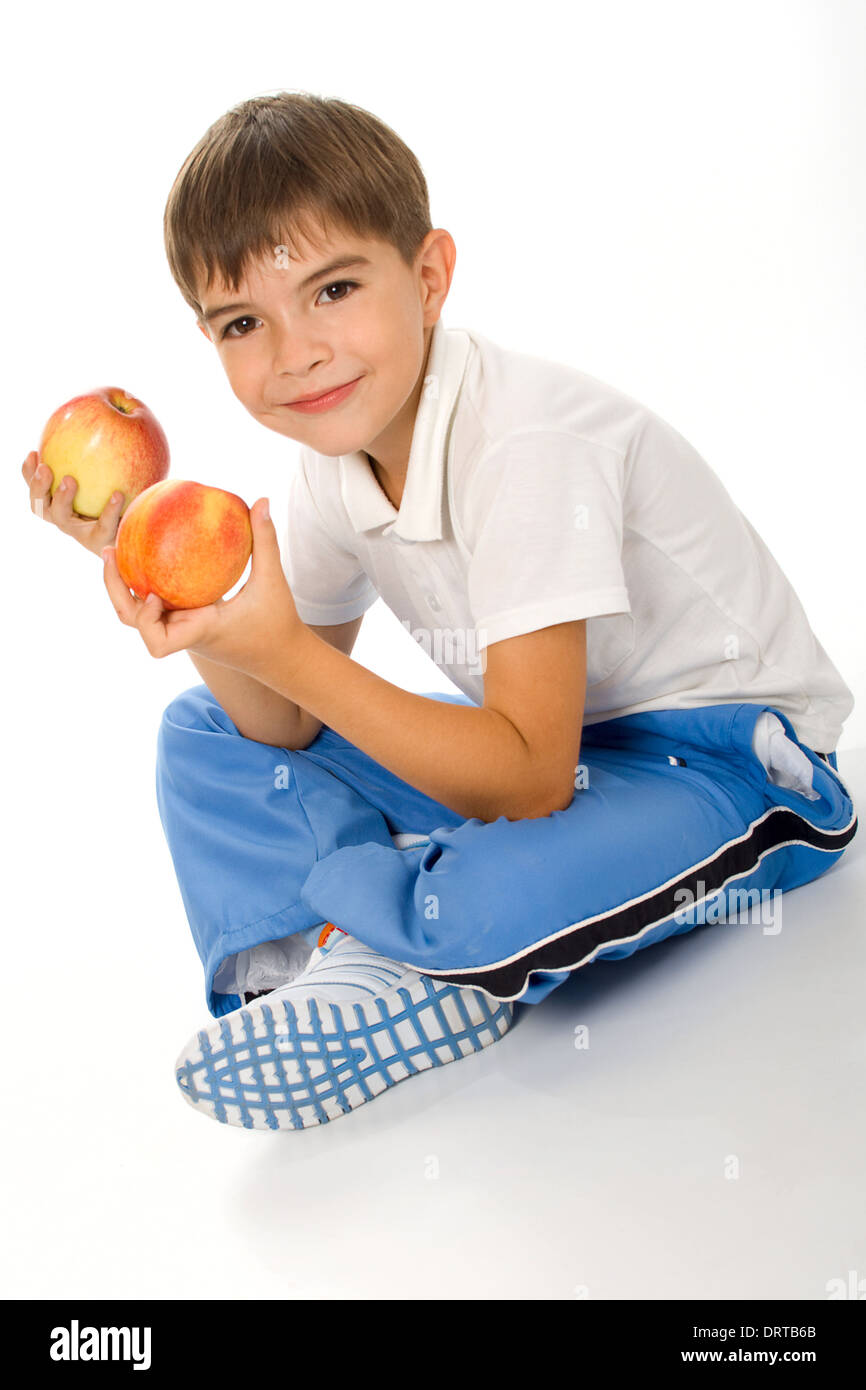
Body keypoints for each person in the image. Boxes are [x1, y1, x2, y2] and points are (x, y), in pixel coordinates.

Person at [23, 92, 858, 1135]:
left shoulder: (526, 442)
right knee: (206, 730)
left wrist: (287, 653)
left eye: (332, 290)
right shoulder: (334, 463)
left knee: (500, 893)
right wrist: (153, 568)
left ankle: (406, 946)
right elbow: (281, 723)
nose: (294, 352)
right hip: (555, 744)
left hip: (725, 761)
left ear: (427, 278)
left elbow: (530, 778)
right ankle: (330, 962)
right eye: (243, 323)